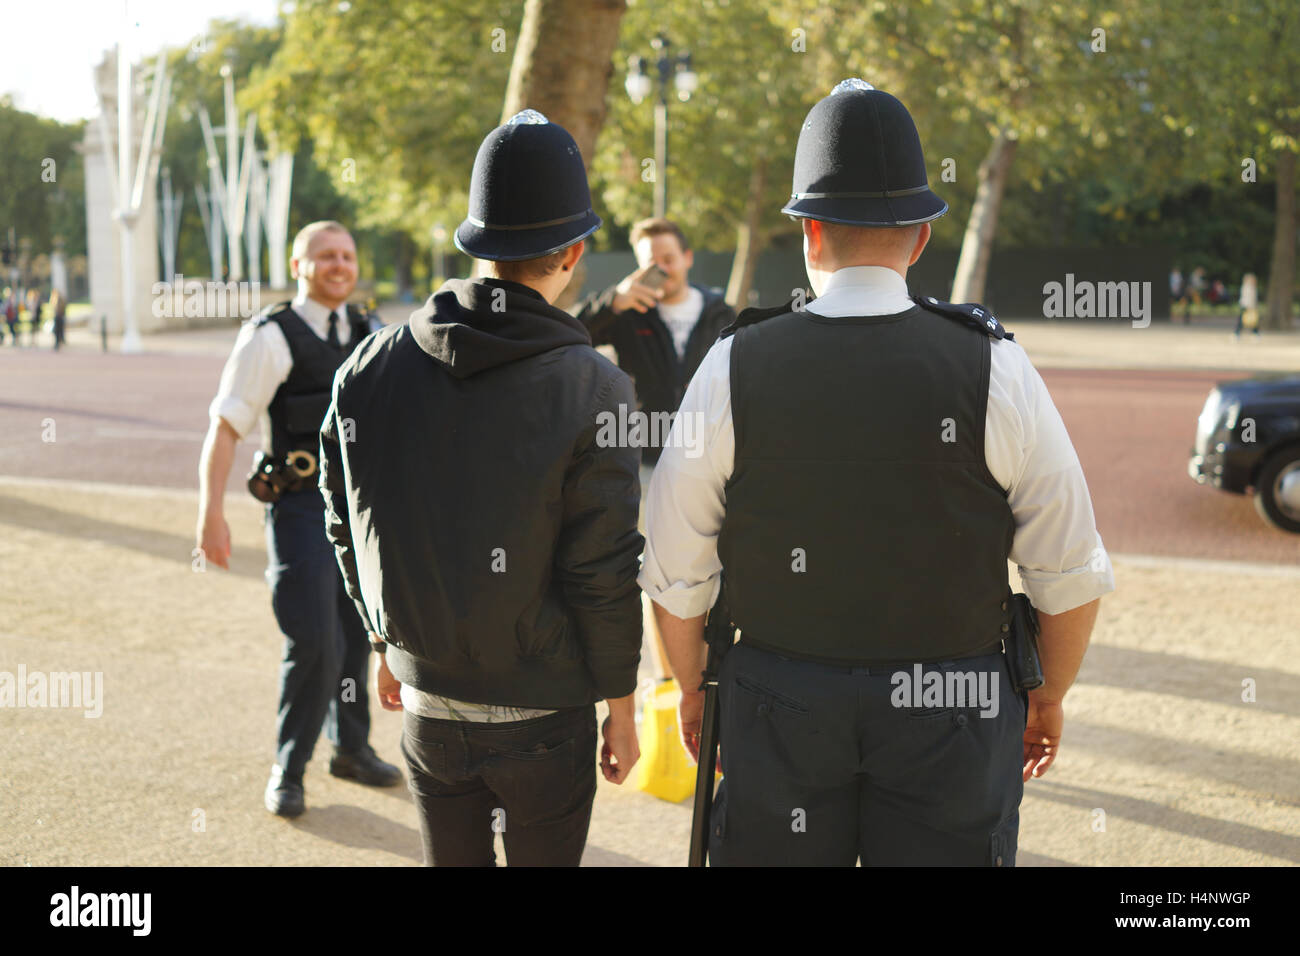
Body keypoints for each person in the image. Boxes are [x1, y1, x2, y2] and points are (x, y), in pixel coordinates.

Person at [640, 79, 1115, 866]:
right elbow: (1068, 567)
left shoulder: (734, 363)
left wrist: (690, 688)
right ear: (922, 236)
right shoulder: (994, 365)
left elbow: (674, 564)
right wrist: (1049, 694)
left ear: (809, 232)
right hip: (953, 706)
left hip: (778, 699)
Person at [319, 110, 644, 867]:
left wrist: (382, 634)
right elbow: (603, 568)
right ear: (573, 250)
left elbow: (347, 520)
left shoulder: (366, 367)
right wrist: (621, 707)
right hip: (545, 711)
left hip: (428, 698)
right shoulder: (596, 387)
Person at [196, 220, 401, 818]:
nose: (339, 265)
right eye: (325, 256)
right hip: (301, 508)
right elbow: (226, 427)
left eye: (346, 255)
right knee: (312, 640)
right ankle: (290, 766)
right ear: (297, 267)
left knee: (361, 634)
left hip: (359, 510)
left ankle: (353, 749)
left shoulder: (372, 329)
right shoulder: (270, 336)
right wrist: (210, 513)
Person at [572, 218, 734, 468]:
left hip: (707, 455)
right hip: (644, 456)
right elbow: (570, 333)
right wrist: (612, 302)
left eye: (668, 260)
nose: (661, 270)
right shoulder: (626, 312)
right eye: (651, 263)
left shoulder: (720, 313)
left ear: (687, 258)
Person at [1234, 273, 1260, 340]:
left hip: (1248, 306)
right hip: (1247, 306)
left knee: (1252, 321)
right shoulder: (1248, 287)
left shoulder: (1250, 287)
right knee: (1244, 320)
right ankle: (1238, 333)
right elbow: (1248, 298)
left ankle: (1255, 333)